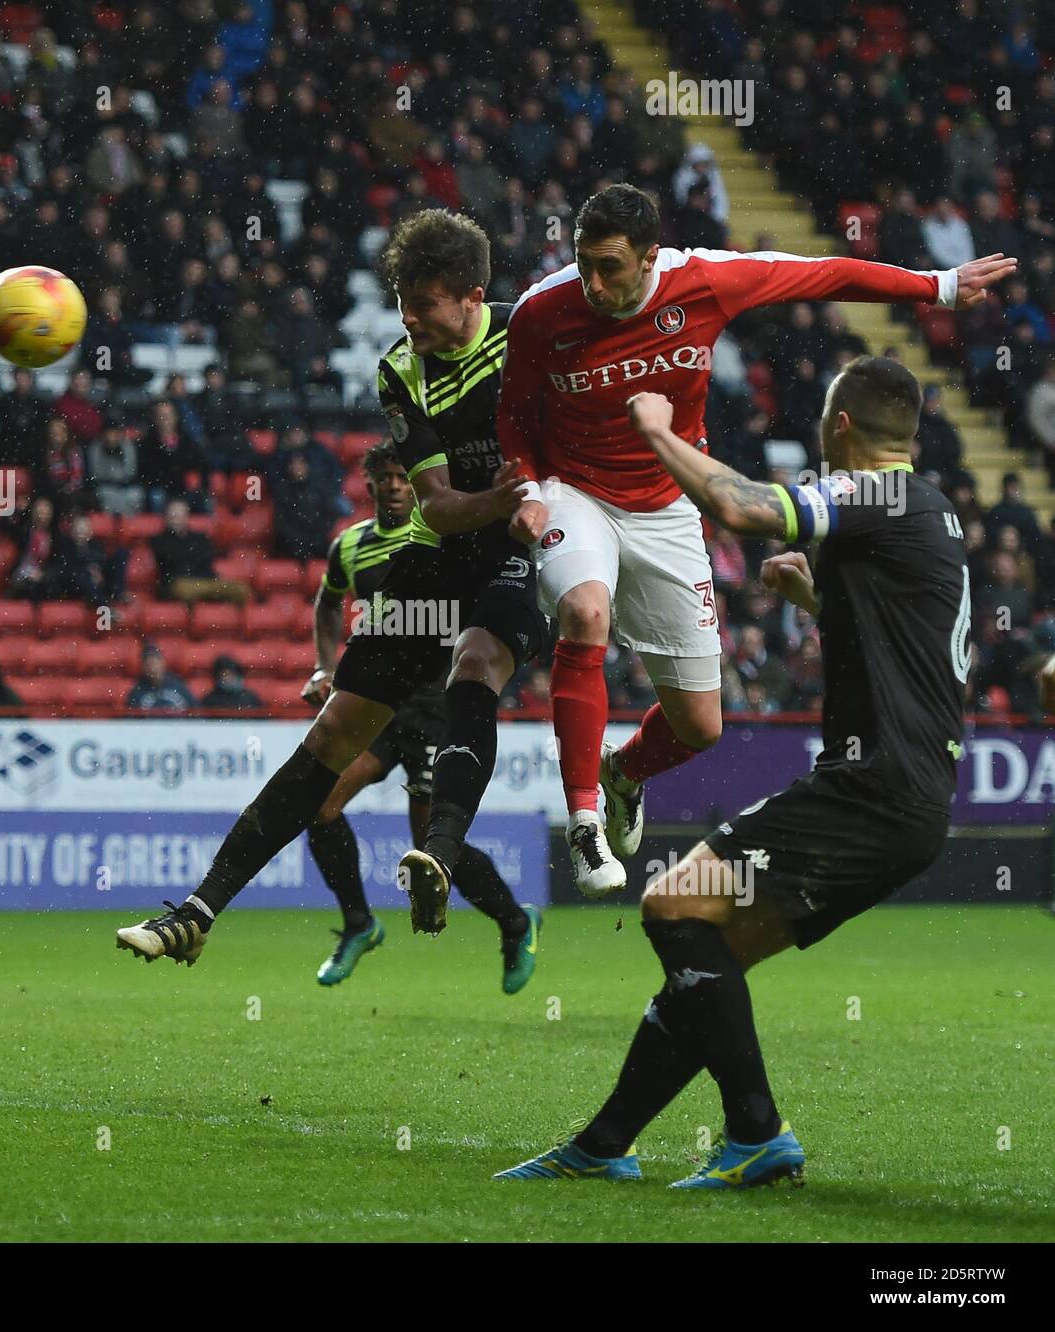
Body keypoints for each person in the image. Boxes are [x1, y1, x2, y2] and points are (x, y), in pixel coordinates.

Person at [497, 358, 969, 1188]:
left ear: (840, 427)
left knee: (673, 905)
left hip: (874, 789)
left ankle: (756, 1131)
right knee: (705, 962)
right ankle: (606, 1144)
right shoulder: (930, 514)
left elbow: (742, 506)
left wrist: (654, 430)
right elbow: (915, 653)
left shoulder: (880, 496)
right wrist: (818, 604)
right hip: (911, 798)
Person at [498, 182, 1014, 897]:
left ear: (650, 257)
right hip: (574, 491)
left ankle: (623, 772)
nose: (594, 281)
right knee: (586, 610)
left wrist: (939, 286)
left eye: (610, 266)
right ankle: (583, 824)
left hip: (666, 503)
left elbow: (822, 271)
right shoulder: (541, 311)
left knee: (700, 725)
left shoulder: (706, 281)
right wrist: (526, 487)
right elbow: (515, 417)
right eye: (585, 263)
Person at [114, 211, 544, 970]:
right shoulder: (400, 368)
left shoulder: (529, 334)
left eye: (424, 302)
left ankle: (441, 857)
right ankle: (199, 910)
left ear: (472, 296)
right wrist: (502, 499)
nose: (407, 318)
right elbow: (440, 506)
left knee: (475, 666)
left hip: (522, 550)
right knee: (331, 735)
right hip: (443, 551)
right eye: (401, 302)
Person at [300, 441, 539, 990]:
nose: (393, 486)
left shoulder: (447, 535)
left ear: (418, 482)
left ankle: (515, 921)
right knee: (320, 806)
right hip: (382, 704)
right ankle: (359, 924)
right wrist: (322, 666)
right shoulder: (352, 546)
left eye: (402, 477)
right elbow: (326, 602)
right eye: (383, 477)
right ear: (370, 485)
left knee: (432, 847)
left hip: (439, 703)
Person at [149, 497, 248, 605]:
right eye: (173, 515)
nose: (176, 518)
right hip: (181, 583)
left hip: (206, 581)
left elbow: (207, 559)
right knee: (185, 589)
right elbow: (170, 561)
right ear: (166, 517)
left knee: (240, 589)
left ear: (187, 516)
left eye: (180, 515)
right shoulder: (159, 540)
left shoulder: (200, 538)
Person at [125, 644, 195, 711]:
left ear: (163, 662)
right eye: (148, 664)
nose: (152, 667)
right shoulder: (136, 693)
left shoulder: (179, 687)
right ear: (143, 667)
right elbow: (131, 720)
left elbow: (197, 713)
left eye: (155, 662)